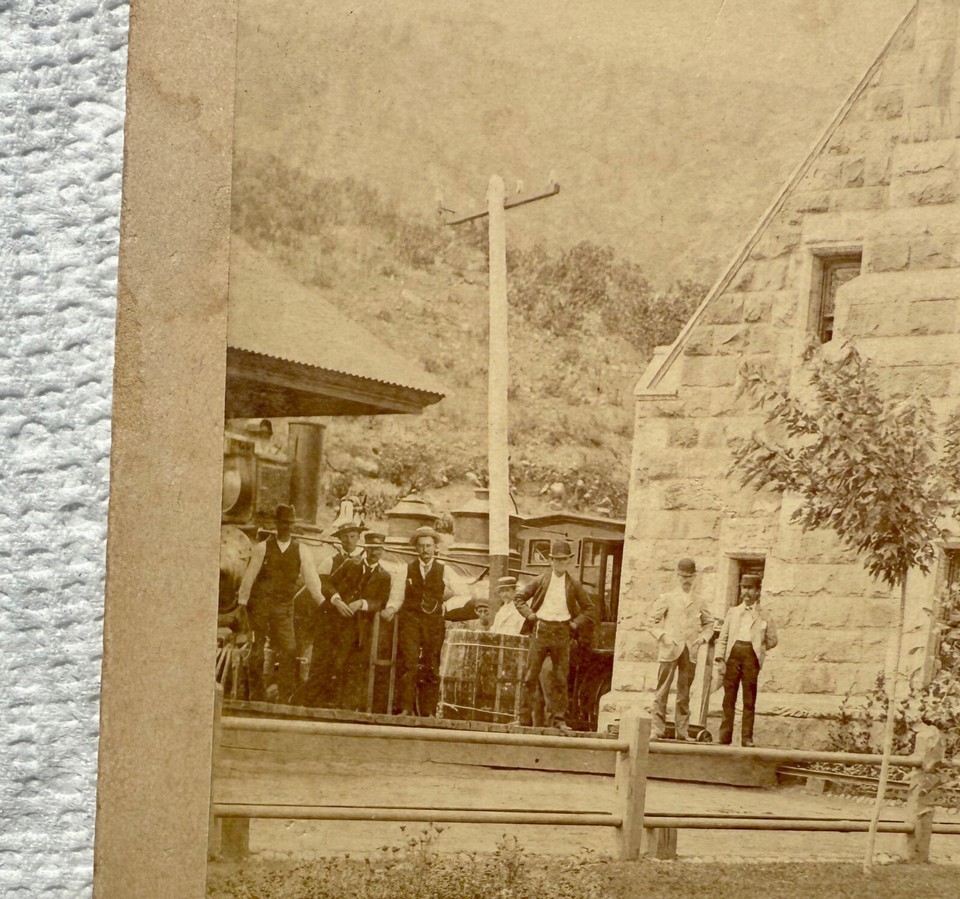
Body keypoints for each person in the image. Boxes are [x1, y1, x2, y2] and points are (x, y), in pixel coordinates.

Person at [237, 504, 324, 703]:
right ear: (276, 524)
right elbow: (248, 579)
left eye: (290, 524)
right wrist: (243, 604)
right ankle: (255, 698)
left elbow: (312, 581)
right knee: (256, 651)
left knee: (289, 650)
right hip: (260, 607)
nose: (286, 527)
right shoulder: (262, 548)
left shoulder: (301, 550)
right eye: (283, 523)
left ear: (293, 525)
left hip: (283, 609)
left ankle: (284, 697)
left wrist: (323, 604)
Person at [298, 532, 392, 709]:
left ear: (383, 551)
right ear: (365, 548)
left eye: (378, 549)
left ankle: (340, 706)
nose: (374, 553)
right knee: (323, 662)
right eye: (371, 548)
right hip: (333, 621)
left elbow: (381, 602)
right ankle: (310, 704)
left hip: (358, 628)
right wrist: (337, 600)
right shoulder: (351, 564)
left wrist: (362, 603)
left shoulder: (384, 576)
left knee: (348, 666)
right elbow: (326, 583)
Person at [381, 525, 468, 717]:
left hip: (434, 623)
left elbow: (465, 594)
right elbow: (396, 597)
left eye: (428, 546)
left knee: (431, 665)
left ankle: (428, 711)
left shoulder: (445, 570)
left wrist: (445, 604)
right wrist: (390, 608)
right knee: (409, 664)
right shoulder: (406, 569)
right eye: (421, 546)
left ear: (435, 547)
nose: (425, 550)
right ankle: (405, 708)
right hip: (410, 621)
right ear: (415, 548)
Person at [513, 539, 597, 730]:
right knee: (530, 676)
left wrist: (575, 624)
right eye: (556, 560)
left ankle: (558, 721)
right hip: (541, 631)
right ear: (550, 560)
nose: (560, 563)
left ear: (569, 561)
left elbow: (589, 609)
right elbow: (519, 597)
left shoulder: (573, 584)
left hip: (561, 633)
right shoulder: (541, 580)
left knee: (560, 678)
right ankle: (524, 719)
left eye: (564, 560)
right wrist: (530, 615)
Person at [648, 558, 715, 741]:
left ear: (695, 577)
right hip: (670, 649)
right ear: (677, 576)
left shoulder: (699, 601)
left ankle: (682, 732)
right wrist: (663, 636)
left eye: (690, 576)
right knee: (662, 691)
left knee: (684, 693)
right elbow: (651, 622)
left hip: (689, 651)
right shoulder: (667, 598)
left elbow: (709, 624)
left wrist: (702, 638)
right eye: (683, 576)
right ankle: (657, 729)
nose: (686, 580)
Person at [714, 573, 778, 747]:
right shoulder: (733, 612)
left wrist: (758, 650)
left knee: (749, 699)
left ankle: (747, 738)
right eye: (744, 588)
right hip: (733, 656)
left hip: (751, 658)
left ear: (758, 591)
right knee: (729, 698)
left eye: (751, 588)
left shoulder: (765, 615)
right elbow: (723, 637)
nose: (747, 592)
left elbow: (772, 639)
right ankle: (724, 736)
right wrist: (720, 659)